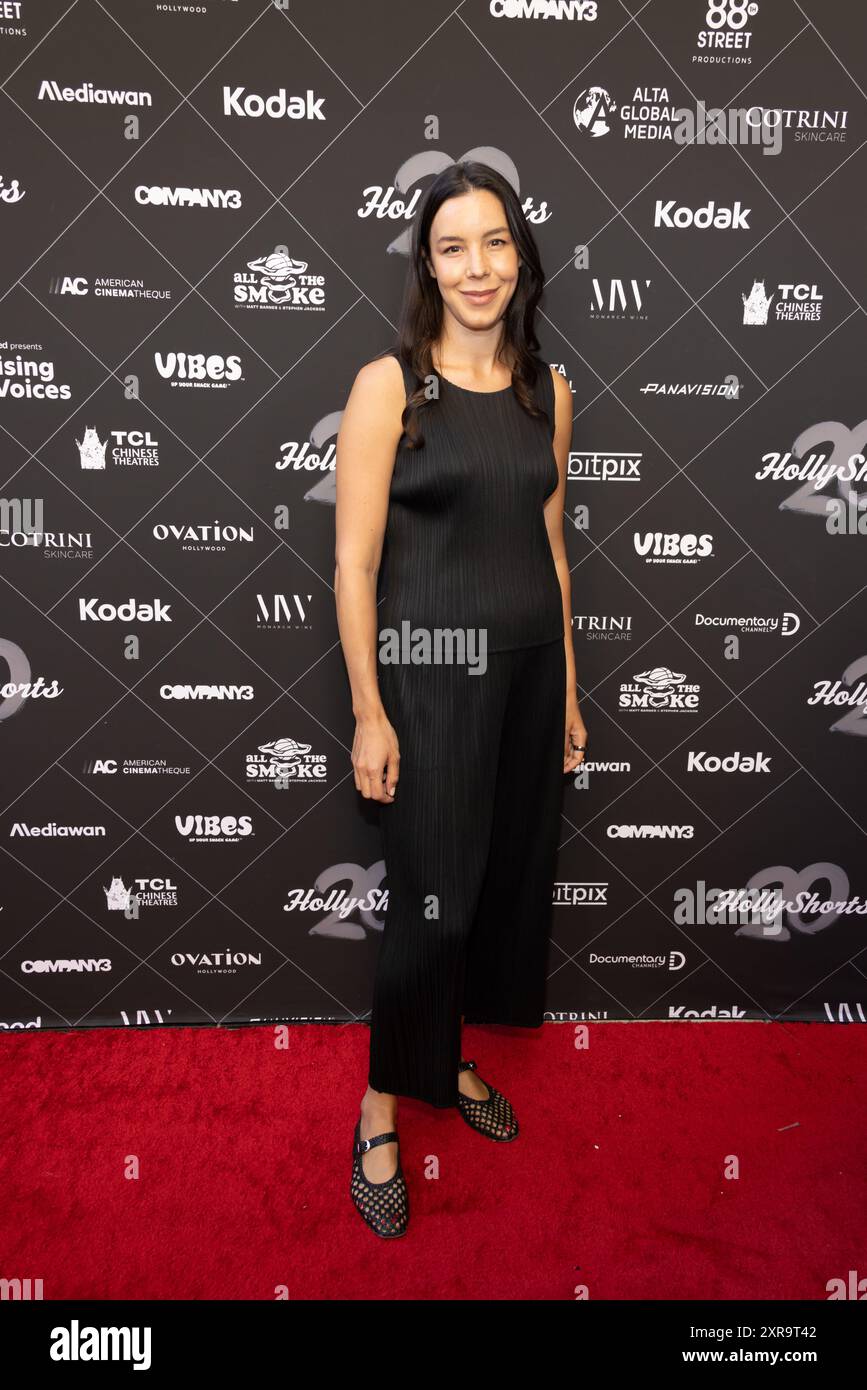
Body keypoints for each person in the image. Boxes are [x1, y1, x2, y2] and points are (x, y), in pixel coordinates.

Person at [334, 160, 587, 1238]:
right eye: (452, 246)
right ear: (427, 264)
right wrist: (371, 710)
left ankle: (450, 1060)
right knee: (431, 900)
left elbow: (552, 549)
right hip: (432, 680)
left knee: (500, 888)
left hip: (531, 674)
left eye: (495, 243)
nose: (477, 267)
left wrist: (570, 692)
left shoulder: (549, 390)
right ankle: (381, 1105)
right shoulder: (391, 386)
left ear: (520, 256)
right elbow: (352, 566)